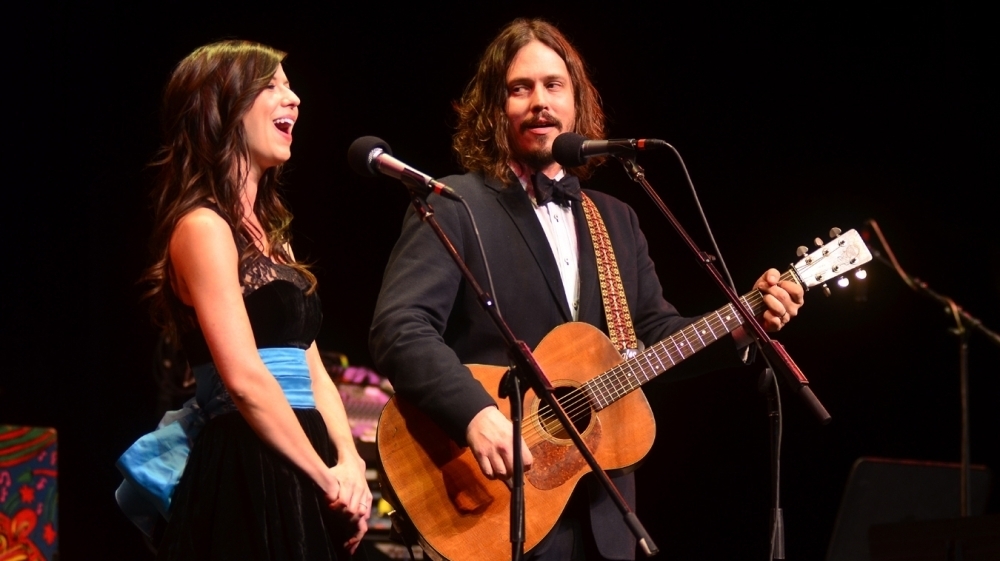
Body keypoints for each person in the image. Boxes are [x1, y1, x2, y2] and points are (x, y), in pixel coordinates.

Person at [369, 18, 804, 561]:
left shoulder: (616, 219)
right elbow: (400, 328)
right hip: (494, 503)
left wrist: (742, 323)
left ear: (577, 103)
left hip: (605, 516)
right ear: (493, 109)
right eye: (520, 88)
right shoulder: (454, 205)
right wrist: (475, 413)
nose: (540, 102)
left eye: (554, 86)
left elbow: (654, 335)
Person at [116, 40, 370, 560]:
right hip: (251, 463)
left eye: (289, 86)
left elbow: (313, 370)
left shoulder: (275, 239)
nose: (293, 98)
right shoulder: (202, 228)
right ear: (223, 109)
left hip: (308, 458)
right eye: (271, 86)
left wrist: (349, 463)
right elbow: (245, 379)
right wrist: (324, 476)